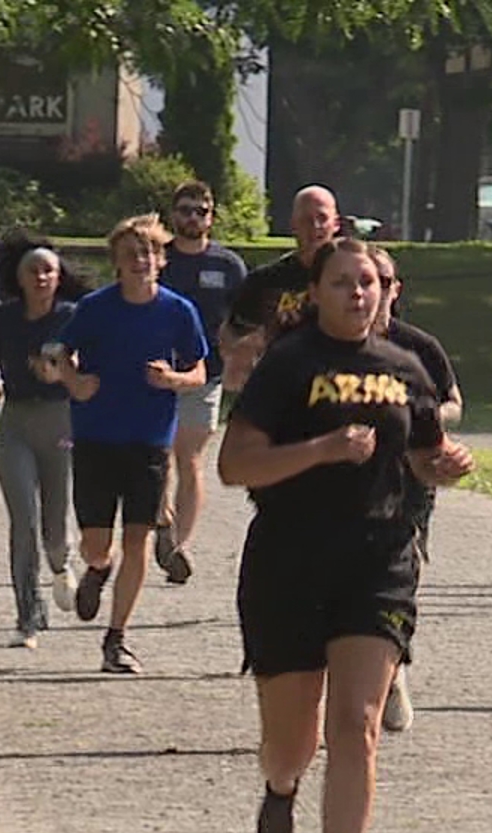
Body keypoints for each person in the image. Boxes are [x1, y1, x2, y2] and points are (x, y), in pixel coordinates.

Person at [218, 237, 474, 833]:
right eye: (342, 283)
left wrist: (446, 465)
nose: (358, 294)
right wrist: (323, 450)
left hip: (379, 560)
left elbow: (423, 457)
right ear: (317, 293)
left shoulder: (407, 368)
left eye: (367, 282)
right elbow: (235, 465)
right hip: (289, 561)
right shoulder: (288, 364)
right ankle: (281, 785)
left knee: (357, 725)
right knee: (291, 740)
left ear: (384, 291)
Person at [37, 215, 208, 674]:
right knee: (96, 544)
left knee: (139, 538)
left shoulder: (178, 311)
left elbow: (199, 370)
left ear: (161, 260)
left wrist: (173, 379)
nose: (141, 261)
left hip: (149, 439)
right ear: (116, 261)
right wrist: (75, 381)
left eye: (148, 253)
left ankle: (117, 638)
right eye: (131, 254)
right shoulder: (95, 308)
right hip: (96, 436)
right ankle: (98, 569)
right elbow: (59, 353)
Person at [0, 236, 90, 647]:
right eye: (33, 271)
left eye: (48, 271)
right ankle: (27, 615)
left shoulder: (73, 316)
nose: (41, 277)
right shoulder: (4, 317)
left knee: (54, 525)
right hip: (15, 423)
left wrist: (63, 372)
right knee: (23, 520)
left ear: (59, 278)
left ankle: (60, 565)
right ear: (20, 278)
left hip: (60, 422)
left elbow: (89, 367)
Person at [372, 246, 465, 733]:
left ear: (396, 290)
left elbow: (454, 403)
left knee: (401, 573)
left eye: (384, 282)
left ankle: (394, 665)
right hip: (343, 482)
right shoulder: (319, 348)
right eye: (364, 280)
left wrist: (423, 418)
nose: (374, 292)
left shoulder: (418, 348)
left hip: (411, 478)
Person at [157, 179, 249, 585]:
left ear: (212, 217)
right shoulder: (158, 258)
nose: (193, 218)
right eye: (185, 210)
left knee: (189, 457)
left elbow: (244, 319)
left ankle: (179, 545)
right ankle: (162, 518)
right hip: (156, 375)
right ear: (173, 214)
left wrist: (237, 357)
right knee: (157, 456)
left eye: (201, 211)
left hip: (205, 376)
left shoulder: (228, 266)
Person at [220, 185, 343, 392]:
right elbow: (232, 334)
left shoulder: (353, 278)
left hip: (337, 386)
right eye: (306, 220)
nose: (315, 226)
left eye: (322, 218)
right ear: (293, 225)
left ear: (336, 223)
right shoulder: (265, 281)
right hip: (282, 389)